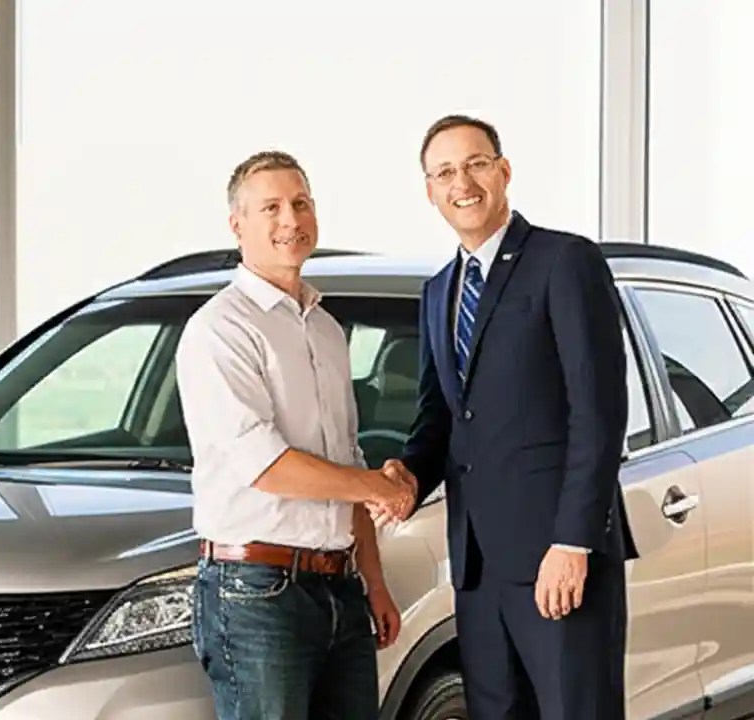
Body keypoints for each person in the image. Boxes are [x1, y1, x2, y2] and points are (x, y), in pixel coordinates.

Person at [383, 115, 638, 719]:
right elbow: (441, 414)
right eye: (444, 172)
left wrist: (572, 541)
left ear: (503, 170)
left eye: (475, 163)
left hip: (558, 555)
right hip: (478, 570)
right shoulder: (438, 290)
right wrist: (410, 479)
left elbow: (599, 413)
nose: (462, 182)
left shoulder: (563, 261)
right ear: (429, 190)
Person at [176, 149, 416, 720]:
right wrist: (380, 487)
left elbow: (344, 462)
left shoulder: (327, 330)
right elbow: (266, 465)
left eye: (301, 203)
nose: (292, 219)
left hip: (339, 589)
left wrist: (374, 583)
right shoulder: (221, 329)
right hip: (256, 593)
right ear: (238, 225)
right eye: (272, 207)